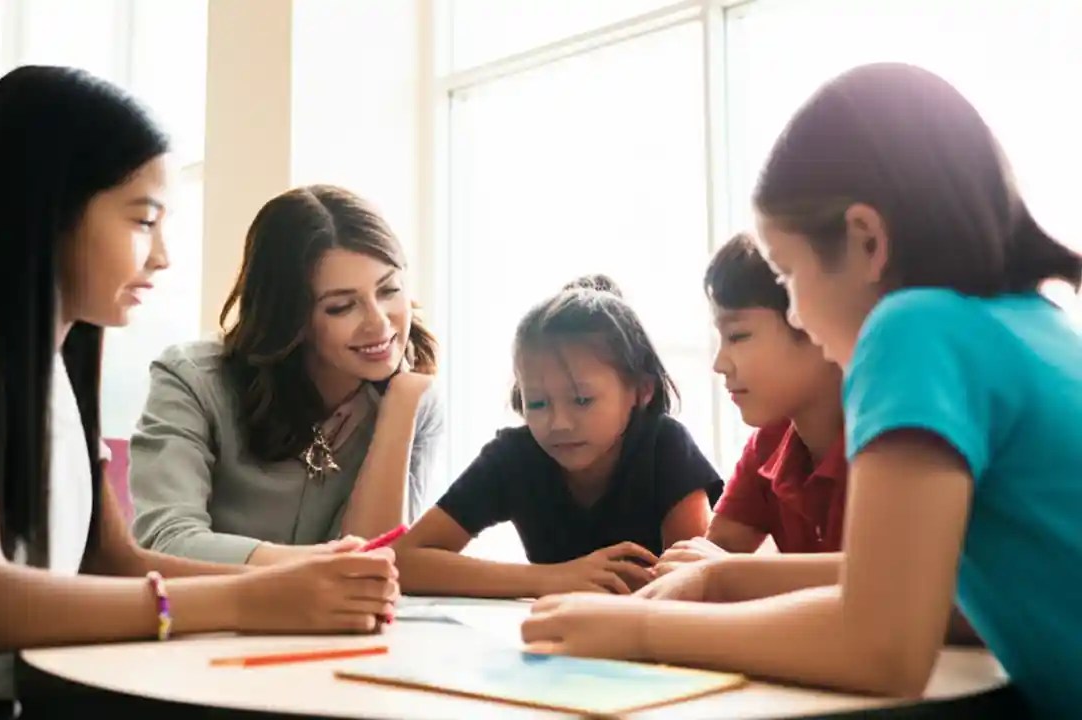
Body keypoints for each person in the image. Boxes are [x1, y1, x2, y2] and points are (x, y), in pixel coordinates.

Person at [0, 67, 396, 718]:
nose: (162, 256)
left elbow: (105, 559)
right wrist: (251, 599)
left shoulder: (55, 354)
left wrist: (294, 585)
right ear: (49, 207)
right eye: (143, 220)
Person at [522, 63, 1082, 716]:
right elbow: (942, 599)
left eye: (787, 276)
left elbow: (881, 647)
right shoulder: (1032, 327)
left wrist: (638, 632)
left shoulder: (914, 327)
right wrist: (726, 575)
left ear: (867, 241)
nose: (795, 314)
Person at [129, 185, 442, 566]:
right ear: (290, 317)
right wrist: (309, 567)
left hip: (342, 623)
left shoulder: (414, 400)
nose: (379, 323)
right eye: (342, 307)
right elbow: (165, 540)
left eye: (389, 289)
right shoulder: (192, 380)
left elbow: (380, 563)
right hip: (211, 621)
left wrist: (400, 410)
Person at [394, 275, 723, 598]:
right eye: (537, 403)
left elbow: (695, 582)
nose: (559, 423)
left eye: (582, 400)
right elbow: (404, 562)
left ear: (641, 390)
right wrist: (548, 578)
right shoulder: (514, 457)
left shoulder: (664, 447)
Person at [648, 232, 844, 580]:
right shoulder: (770, 443)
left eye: (737, 336)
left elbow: (891, 583)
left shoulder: (891, 440)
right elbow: (708, 559)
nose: (720, 363)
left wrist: (735, 574)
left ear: (816, 325)